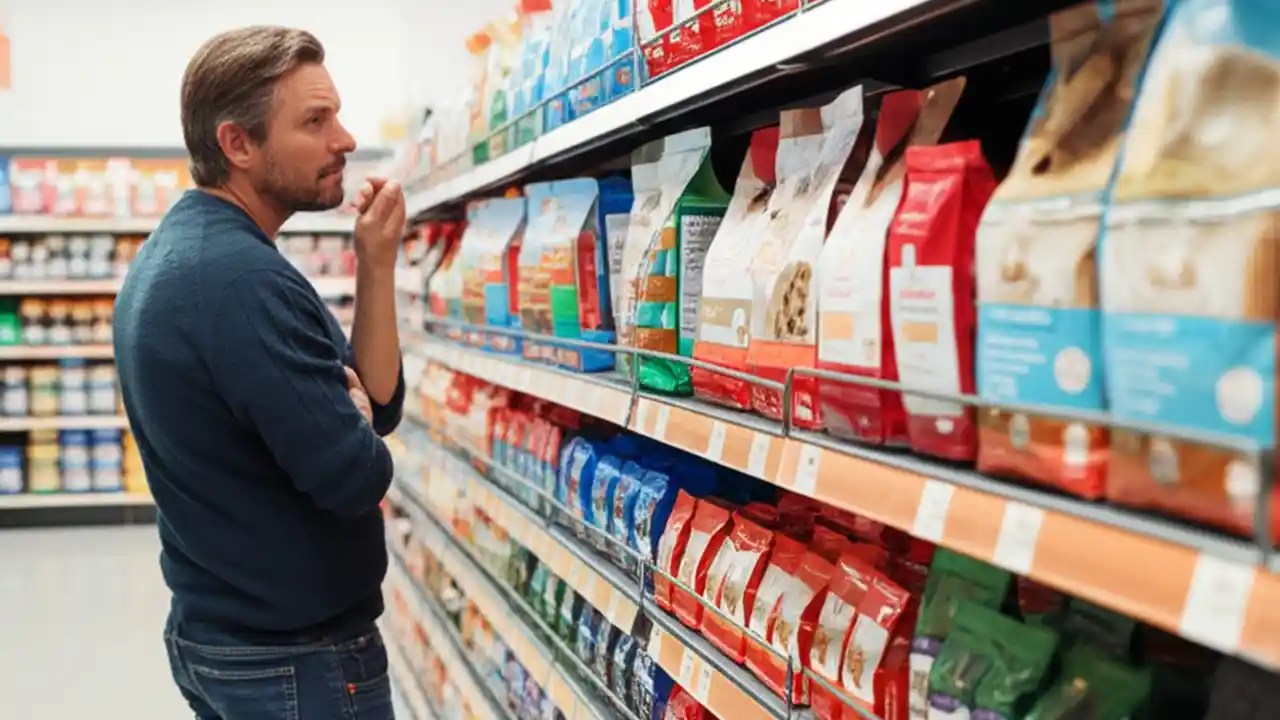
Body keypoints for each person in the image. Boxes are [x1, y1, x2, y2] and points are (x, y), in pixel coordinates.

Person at [113, 26, 405, 720]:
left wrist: (377, 265)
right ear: (238, 145)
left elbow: (379, 399)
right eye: (315, 120)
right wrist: (352, 416)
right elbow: (359, 476)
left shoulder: (193, 253)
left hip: (227, 640)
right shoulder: (239, 284)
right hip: (296, 659)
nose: (345, 138)